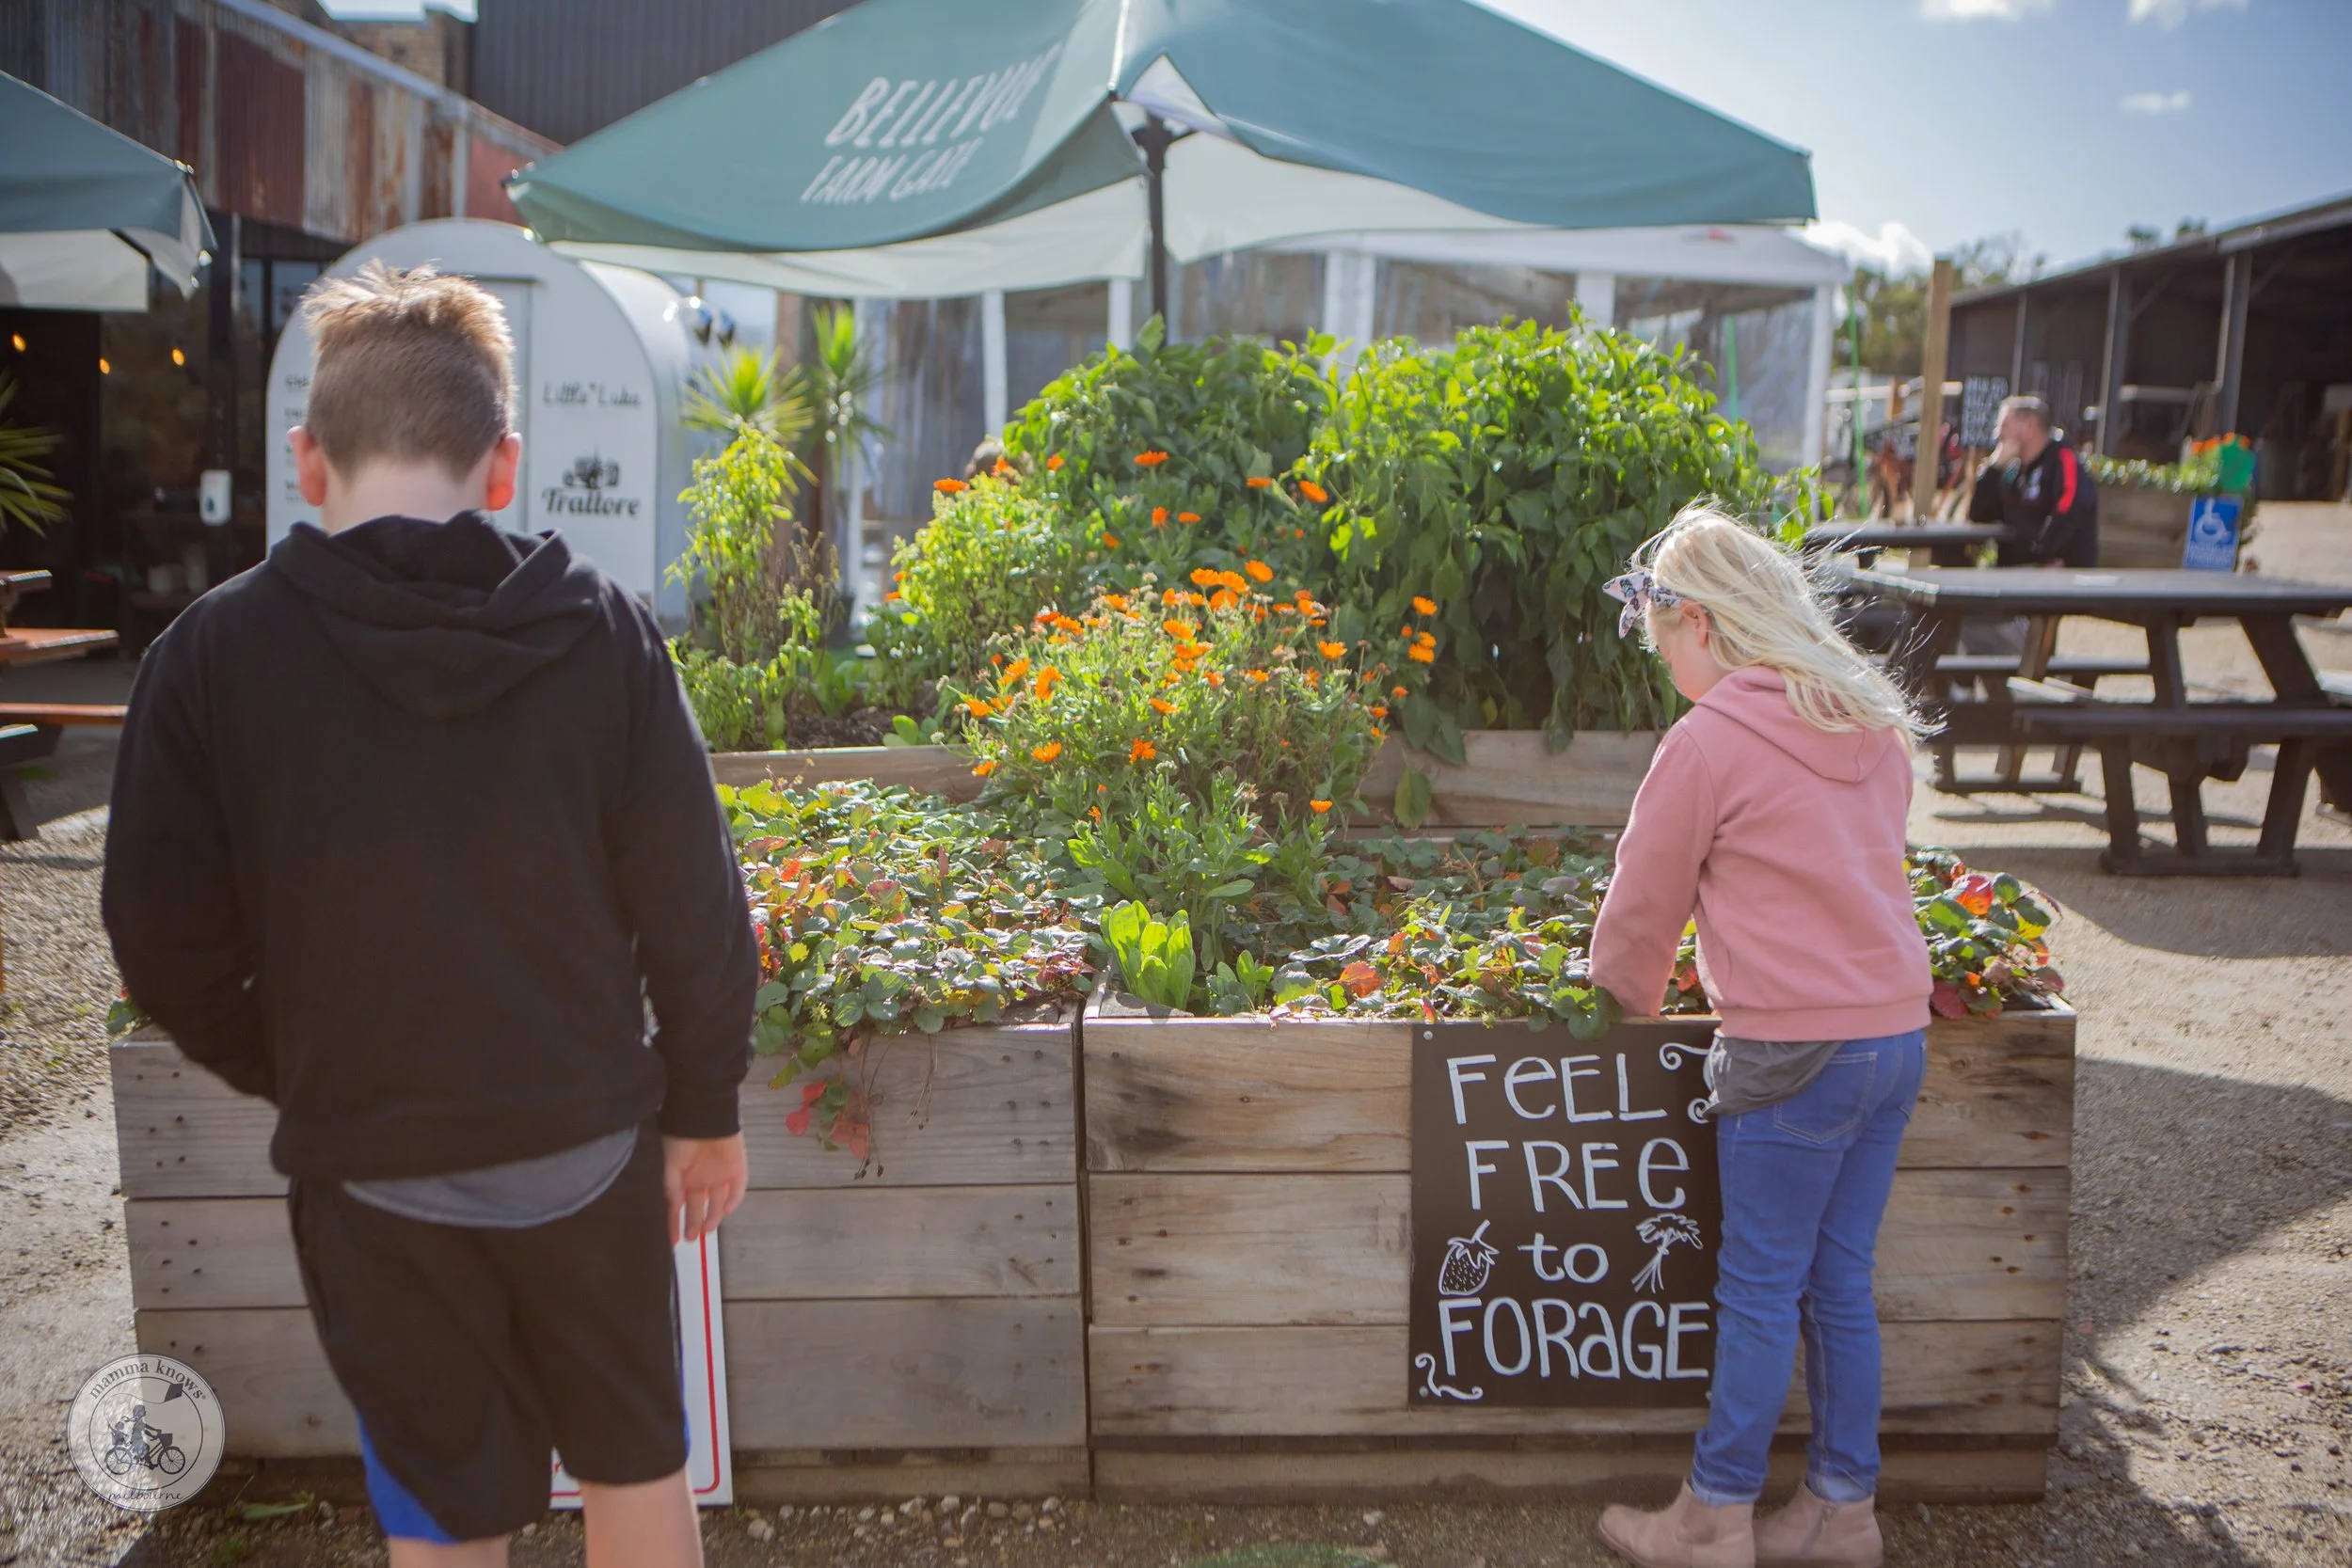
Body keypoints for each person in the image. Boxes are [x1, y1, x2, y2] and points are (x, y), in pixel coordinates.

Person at [103, 262, 758, 1568]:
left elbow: (159, 934)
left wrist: (300, 1060)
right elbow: (696, 901)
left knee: (443, 1507)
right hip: (585, 1145)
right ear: (503, 466)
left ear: (308, 459)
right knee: (635, 1461)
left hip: (371, 1162)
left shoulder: (212, 656)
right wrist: (704, 1105)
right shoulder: (608, 636)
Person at [1587, 509, 1932, 1568]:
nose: (1666, 668)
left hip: (1791, 1050)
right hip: (1892, 1035)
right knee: (1839, 1280)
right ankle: (1842, 1510)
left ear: (1698, 622)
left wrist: (1621, 1001)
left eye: (1664, 643)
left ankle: (1713, 1516)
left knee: (1758, 1287)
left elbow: (1643, 903)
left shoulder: (1708, 743)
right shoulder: (1863, 717)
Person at [1967, 394, 2098, 567]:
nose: (1998, 433)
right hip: (2014, 572)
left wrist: (2043, 555)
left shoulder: (2062, 460)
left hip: (2056, 572)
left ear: (2029, 426)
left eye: (2004, 425)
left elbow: (2069, 508)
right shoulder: (2011, 470)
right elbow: (1979, 515)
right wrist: (1993, 468)